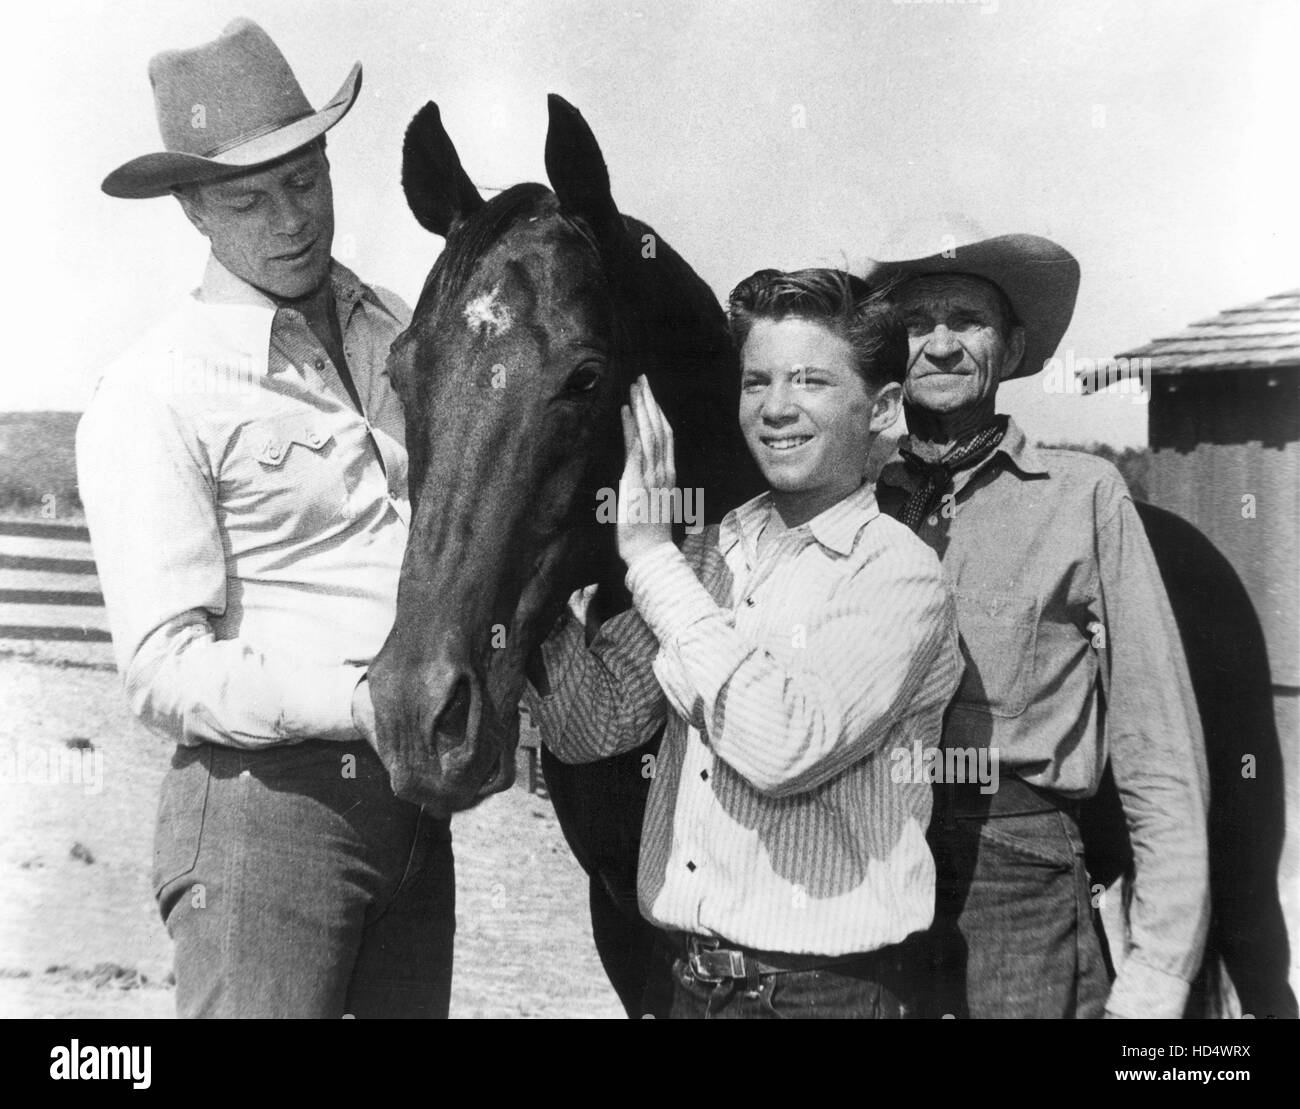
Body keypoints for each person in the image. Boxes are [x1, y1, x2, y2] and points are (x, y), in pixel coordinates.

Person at [76, 18, 453, 1017]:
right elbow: (160, 664)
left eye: (303, 179)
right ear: (192, 209)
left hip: (413, 810)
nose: (289, 219)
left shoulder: (396, 326)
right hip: (263, 814)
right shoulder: (155, 390)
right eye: (245, 197)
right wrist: (361, 701)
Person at [527, 269, 963, 1019]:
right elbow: (591, 725)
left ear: (884, 407)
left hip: (826, 996)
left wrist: (650, 556)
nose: (776, 407)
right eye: (756, 380)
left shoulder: (897, 572)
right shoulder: (713, 547)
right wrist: (528, 580)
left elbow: (783, 746)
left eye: (811, 380)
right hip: (687, 984)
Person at [868, 222, 1210, 1019]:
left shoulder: (1083, 495)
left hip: (1020, 884)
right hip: (866, 873)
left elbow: (1158, 741)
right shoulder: (853, 497)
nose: (942, 345)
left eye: (969, 322)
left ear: (1013, 347)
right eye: (919, 324)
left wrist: (1160, 966)